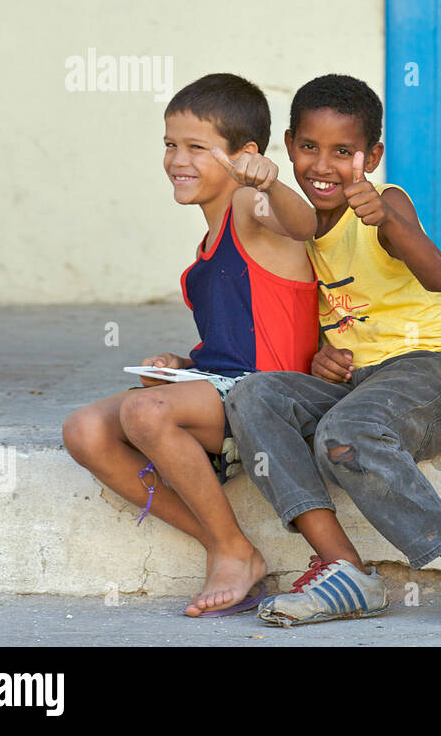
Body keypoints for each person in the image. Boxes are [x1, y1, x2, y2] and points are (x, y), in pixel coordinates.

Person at [224, 74, 441, 628]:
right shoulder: (296, 229)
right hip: (356, 386)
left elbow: (437, 274)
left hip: (428, 375)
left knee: (345, 431)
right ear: (288, 147)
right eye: (308, 148)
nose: (322, 165)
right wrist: (319, 358)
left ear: (373, 155)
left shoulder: (384, 205)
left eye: (343, 151)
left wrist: (387, 220)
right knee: (252, 394)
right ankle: (345, 570)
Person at [63, 73, 319, 617]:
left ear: (244, 156)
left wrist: (270, 182)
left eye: (197, 148)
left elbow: (305, 224)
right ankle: (223, 541)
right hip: (220, 387)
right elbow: (233, 338)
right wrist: (182, 364)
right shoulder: (204, 249)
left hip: (273, 398)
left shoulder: (252, 208)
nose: (177, 158)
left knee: (144, 409)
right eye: (170, 145)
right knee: (83, 430)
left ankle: (231, 551)